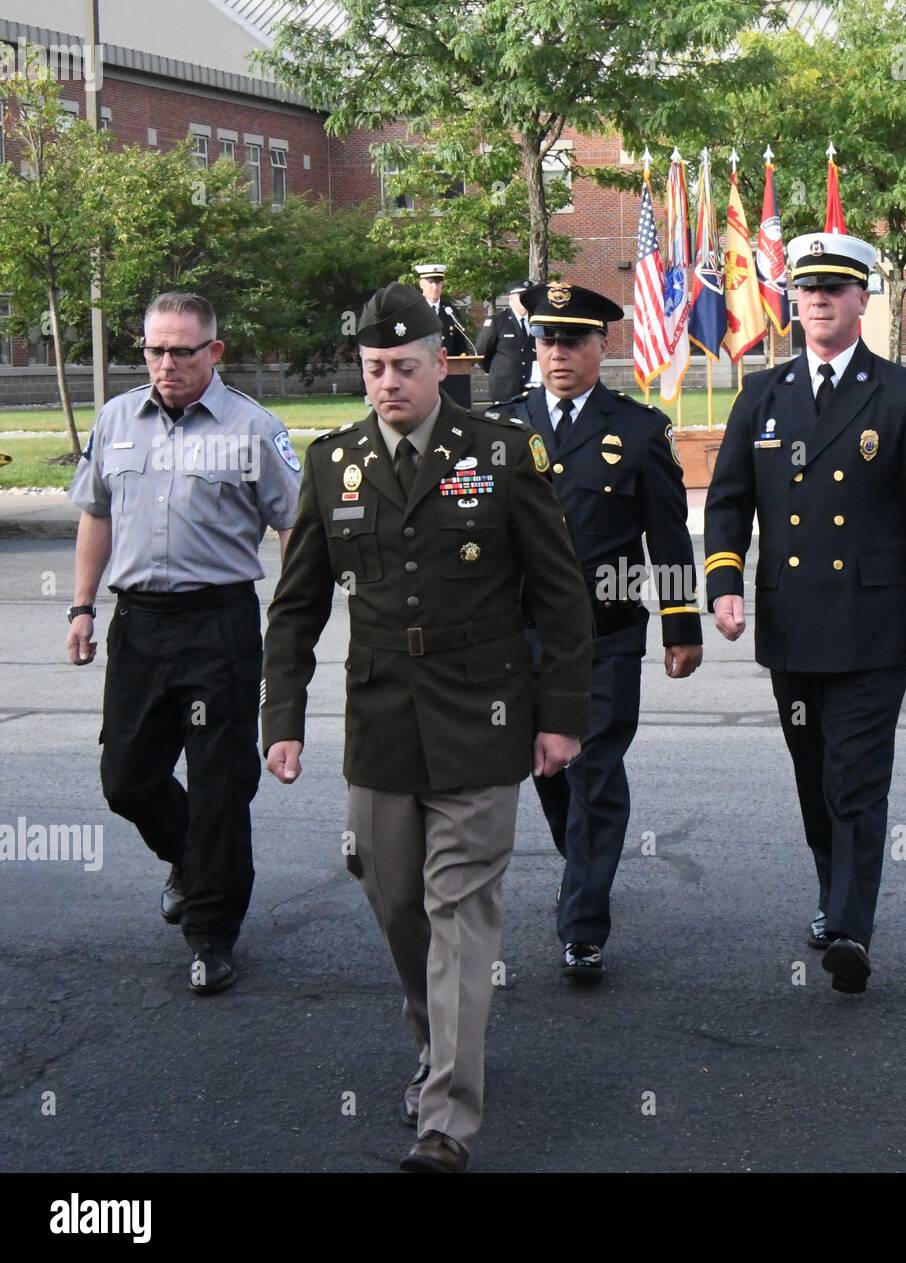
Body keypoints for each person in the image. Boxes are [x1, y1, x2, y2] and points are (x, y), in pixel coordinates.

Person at [260, 282, 591, 1173]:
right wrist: (281, 718)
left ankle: (446, 1114)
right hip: (380, 721)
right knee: (398, 900)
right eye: (373, 369)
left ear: (442, 364)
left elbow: (560, 596)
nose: (388, 384)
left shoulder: (503, 451)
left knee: (460, 906)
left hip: (482, 715)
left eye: (404, 367)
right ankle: (436, 1037)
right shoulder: (334, 463)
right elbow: (295, 610)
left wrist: (562, 715)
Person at [703, 233, 906, 995]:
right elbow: (728, 501)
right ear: (793, 300)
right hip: (791, 625)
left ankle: (851, 926)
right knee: (813, 774)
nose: (818, 299)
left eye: (835, 288)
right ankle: (830, 889)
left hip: (874, 626)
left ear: (861, 299)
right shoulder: (763, 394)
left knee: (856, 776)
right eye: (807, 288)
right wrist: (724, 582)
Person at [66, 291, 300, 995]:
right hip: (138, 625)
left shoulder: (253, 428)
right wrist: (81, 606)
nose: (166, 364)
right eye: (154, 350)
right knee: (126, 777)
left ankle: (211, 934)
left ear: (214, 352)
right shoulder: (116, 419)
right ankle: (193, 861)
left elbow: (295, 523)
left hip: (218, 625)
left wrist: (292, 615)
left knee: (221, 783)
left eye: (182, 351)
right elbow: (96, 516)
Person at [492, 282, 702, 982]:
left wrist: (681, 623)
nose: (558, 352)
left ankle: (583, 923)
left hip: (607, 633)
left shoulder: (638, 431)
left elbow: (669, 538)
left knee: (594, 771)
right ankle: (580, 864)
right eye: (547, 339)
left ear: (599, 347)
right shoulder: (502, 427)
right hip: (518, 636)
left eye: (573, 340)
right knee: (546, 767)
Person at [475, 279, 536, 403]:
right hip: (505, 388)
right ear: (511, 300)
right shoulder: (497, 322)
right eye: (522, 296)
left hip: (532, 389)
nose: (526, 300)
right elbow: (481, 353)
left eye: (528, 296)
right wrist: (495, 369)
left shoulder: (536, 321)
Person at [414, 263, 475, 357]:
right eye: (430, 282)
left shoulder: (450, 310)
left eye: (438, 283)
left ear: (442, 284)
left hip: (447, 368)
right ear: (421, 284)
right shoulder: (413, 310)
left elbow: (460, 345)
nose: (435, 287)